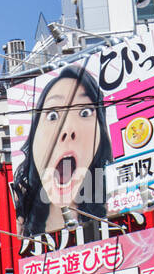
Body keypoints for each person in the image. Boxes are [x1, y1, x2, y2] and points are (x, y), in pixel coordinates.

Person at [11, 65, 111, 238]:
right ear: (34, 136)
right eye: (52, 115)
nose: (67, 129)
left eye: (85, 112)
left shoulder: (115, 203)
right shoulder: (20, 221)